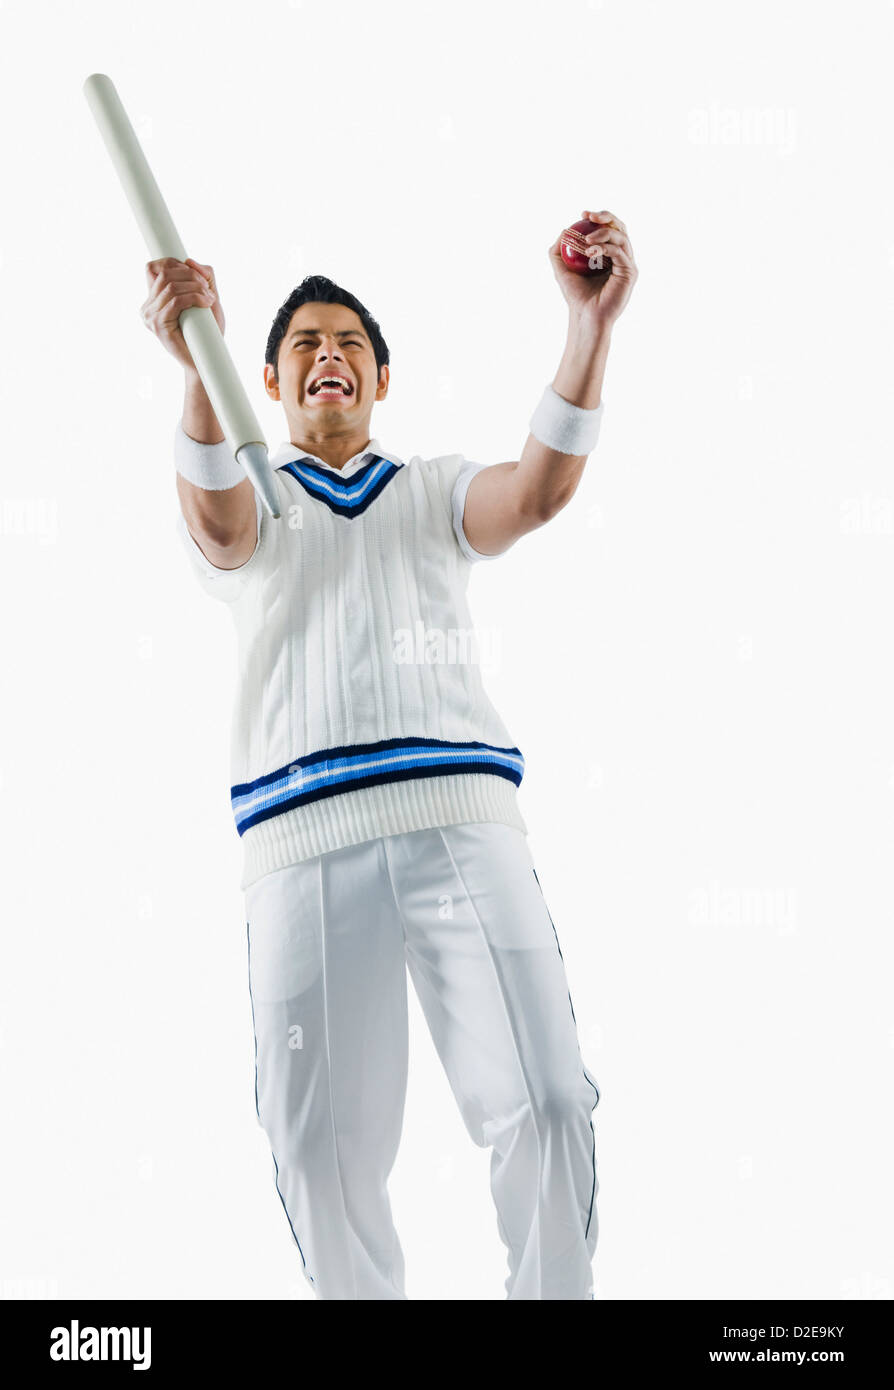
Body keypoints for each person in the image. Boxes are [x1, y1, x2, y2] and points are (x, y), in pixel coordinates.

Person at [141, 209, 637, 1300]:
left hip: (461, 826)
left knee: (550, 1101)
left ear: (381, 378)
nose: (327, 355)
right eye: (303, 345)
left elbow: (538, 492)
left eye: (349, 343)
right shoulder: (255, 497)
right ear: (267, 383)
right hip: (303, 847)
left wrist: (590, 327)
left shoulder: (433, 490)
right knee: (319, 1151)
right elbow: (218, 528)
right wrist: (192, 366)